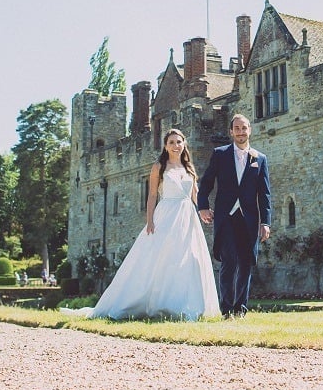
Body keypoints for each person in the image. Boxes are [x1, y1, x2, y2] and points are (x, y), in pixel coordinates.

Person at [78, 129, 220, 320]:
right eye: (171, 142)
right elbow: (152, 195)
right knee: (160, 257)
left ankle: (186, 304)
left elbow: (195, 194)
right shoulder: (159, 167)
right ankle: (151, 302)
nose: (176, 145)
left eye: (179, 142)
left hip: (187, 217)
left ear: (184, 143)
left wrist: (203, 210)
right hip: (166, 214)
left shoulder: (189, 168)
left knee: (189, 258)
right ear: (165, 145)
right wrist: (150, 220)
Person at [198, 113, 271, 318]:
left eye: (244, 128)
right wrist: (202, 206)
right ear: (231, 132)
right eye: (237, 128)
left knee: (246, 262)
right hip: (226, 216)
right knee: (229, 262)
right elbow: (206, 182)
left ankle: (241, 309)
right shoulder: (220, 154)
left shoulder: (260, 159)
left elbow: (264, 193)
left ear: (250, 130)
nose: (241, 132)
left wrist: (265, 222)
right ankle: (227, 310)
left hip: (249, 218)